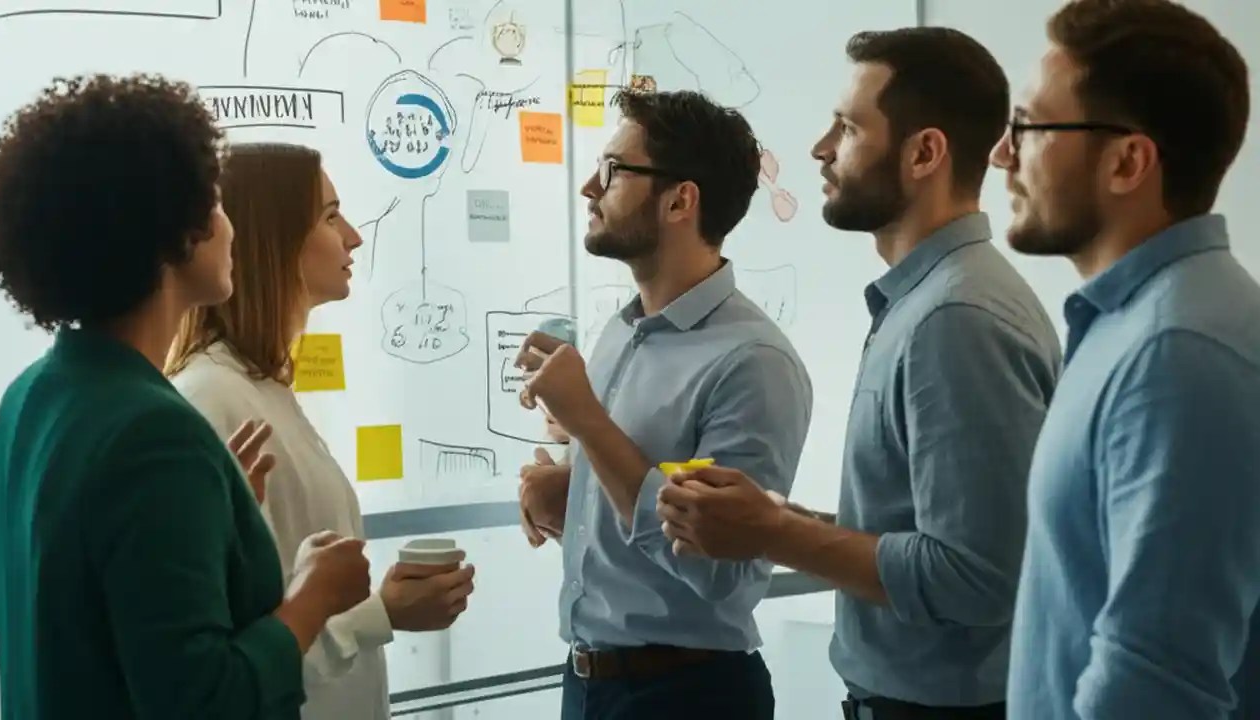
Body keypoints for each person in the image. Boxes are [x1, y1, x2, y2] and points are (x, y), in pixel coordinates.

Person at [655, 28, 1061, 720]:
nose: (821, 148)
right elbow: (921, 531)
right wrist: (777, 518)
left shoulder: (954, 317)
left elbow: (977, 579)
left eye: (846, 128)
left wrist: (772, 533)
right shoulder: (928, 301)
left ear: (924, 153)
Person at [0, 74, 370, 720]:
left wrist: (209, 511)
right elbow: (203, 700)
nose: (231, 228)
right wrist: (313, 599)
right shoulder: (154, 432)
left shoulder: (28, 399)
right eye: (214, 204)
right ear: (174, 230)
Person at [987, 1, 1260, 717]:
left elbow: (1152, 684)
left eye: (1027, 127)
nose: (1002, 155)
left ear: (1127, 162)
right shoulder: (1137, 324)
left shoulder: (1178, 353)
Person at [515, 89, 813, 720]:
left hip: (688, 695)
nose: (589, 189)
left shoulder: (753, 362)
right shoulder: (620, 332)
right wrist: (571, 495)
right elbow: (635, 493)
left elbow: (717, 573)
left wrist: (587, 421)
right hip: (588, 683)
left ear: (680, 201)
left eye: (613, 171)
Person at [166, 142, 476, 720]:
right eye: (331, 217)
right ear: (274, 238)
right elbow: (225, 654)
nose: (353, 237)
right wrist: (382, 613)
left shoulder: (261, 388)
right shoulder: (212, 398)